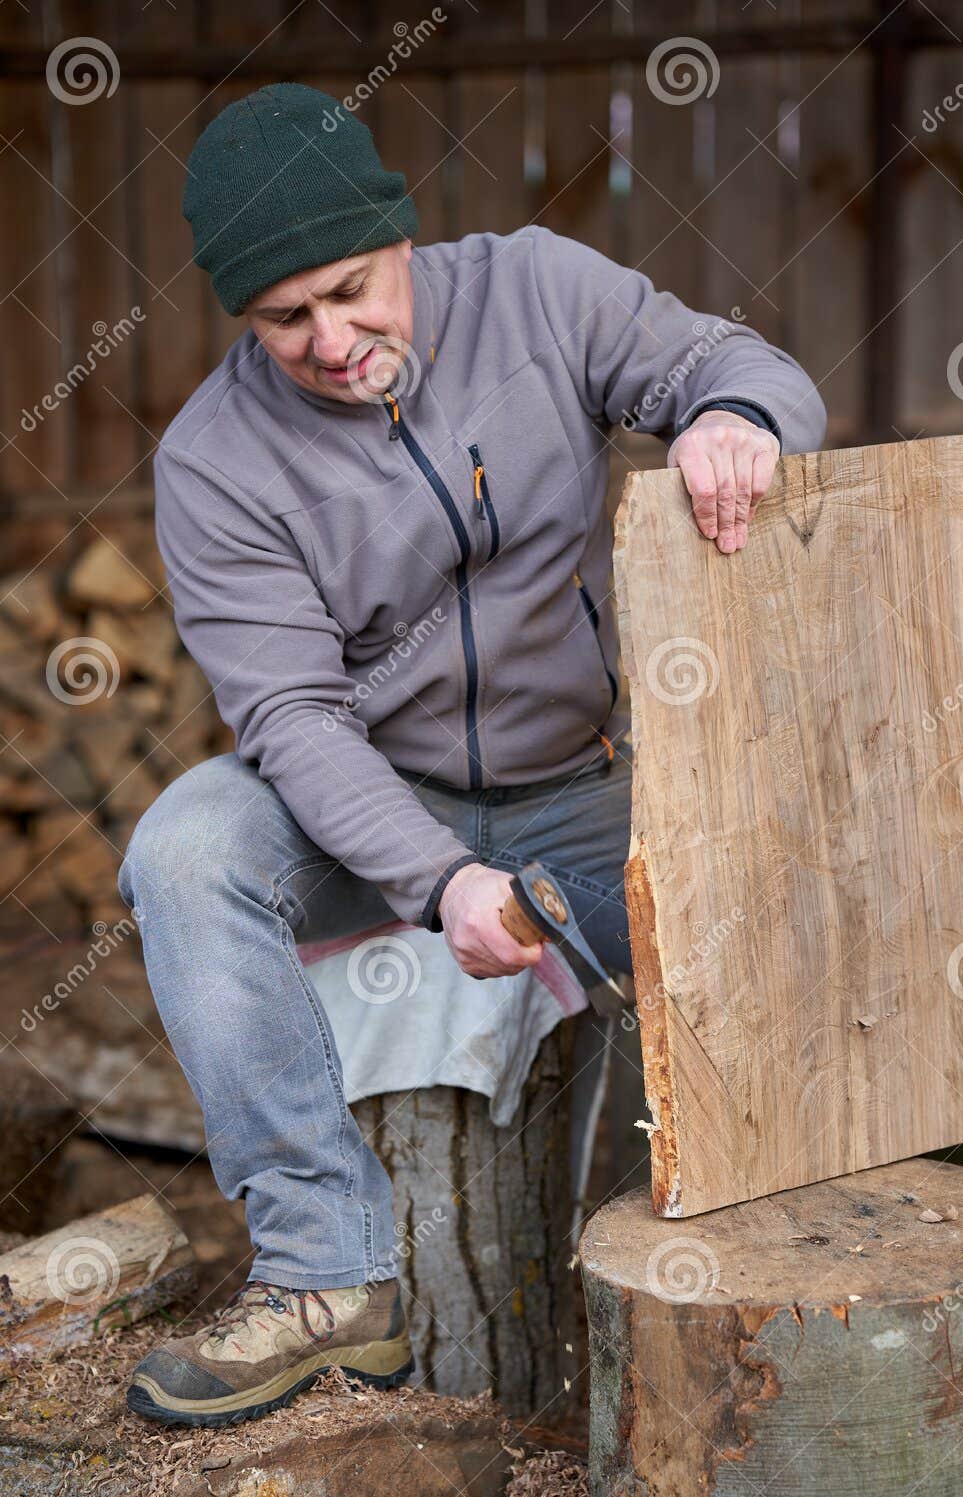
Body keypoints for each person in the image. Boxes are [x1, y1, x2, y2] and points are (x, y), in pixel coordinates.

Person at [119, 82, 826, 1426]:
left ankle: (764, 1220)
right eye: (285, 320)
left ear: (402, 238)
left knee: (779, 858)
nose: (333, 341)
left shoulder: (536, 292)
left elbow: (747, 368)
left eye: (352, 289)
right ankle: (331, 1273)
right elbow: (294, 719)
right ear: (242, 320)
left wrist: (735, 418)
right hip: (370, 813)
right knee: (188, 846)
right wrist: (437, 876)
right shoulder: (213, 461)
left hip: (582, 785)